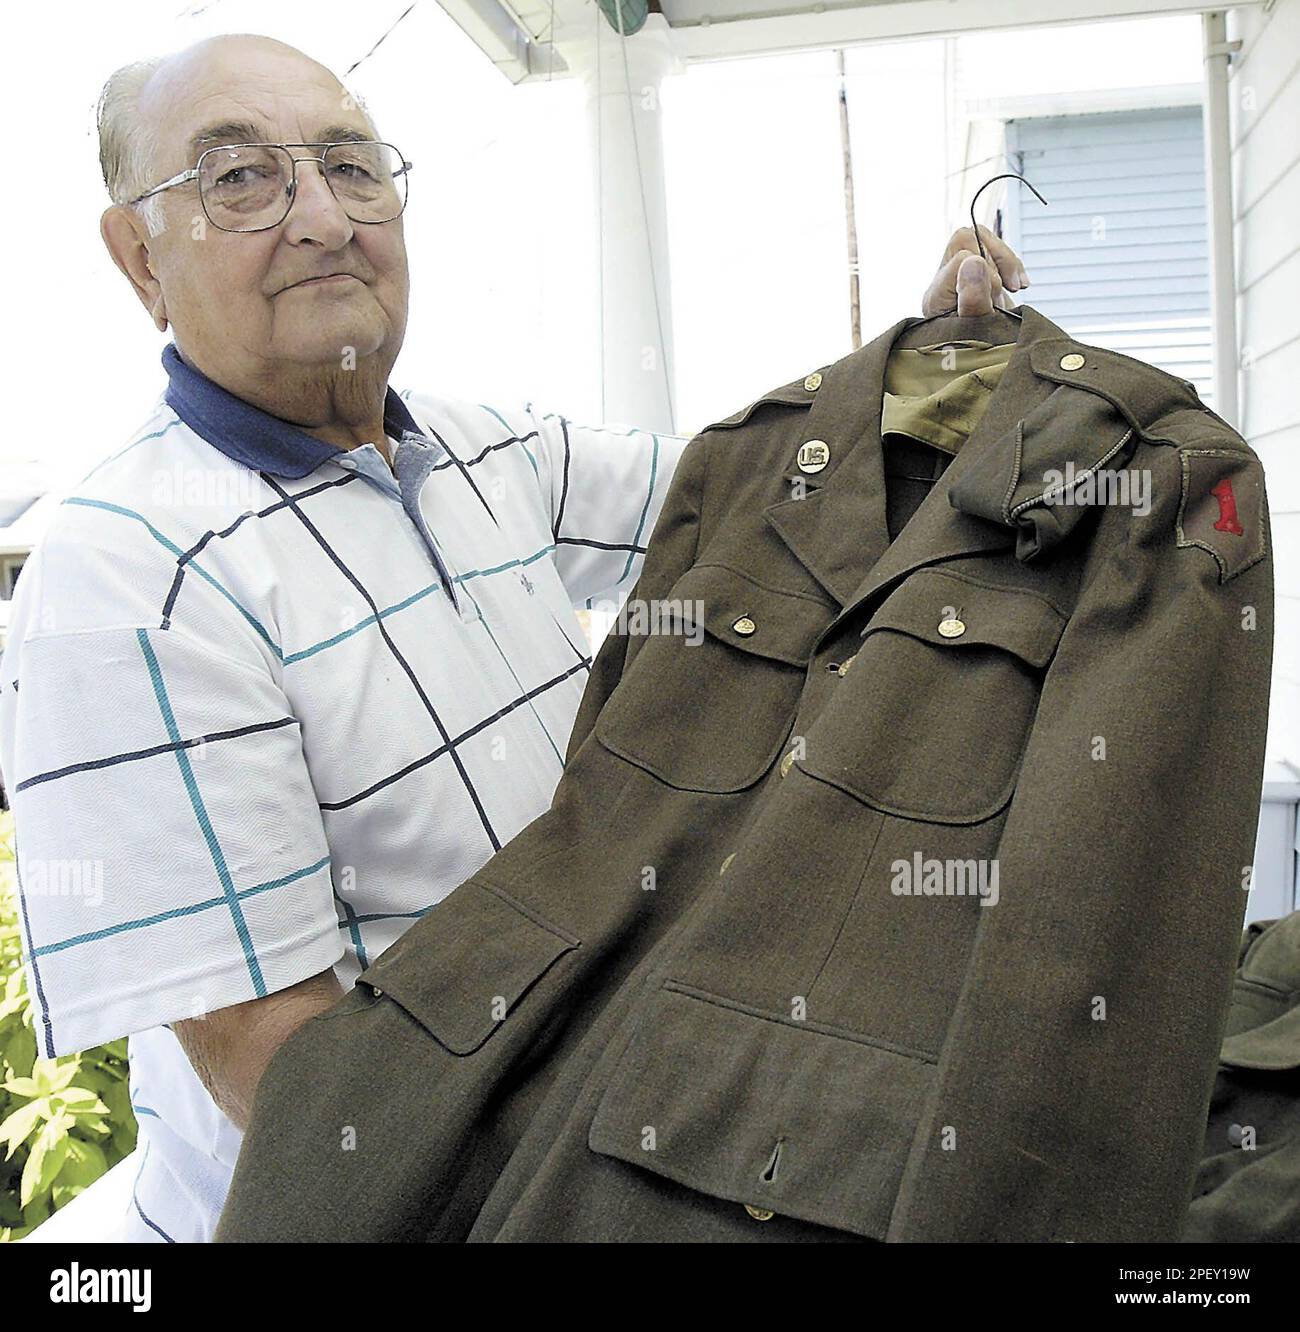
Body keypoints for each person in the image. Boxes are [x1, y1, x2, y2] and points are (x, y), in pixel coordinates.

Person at [0, 31, 1029, 1242]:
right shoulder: (130, 580)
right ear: (139, 258)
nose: (323, 218)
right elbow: (290, 1087)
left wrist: (923, 374)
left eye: (351, 164)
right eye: (240, 179)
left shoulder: (482, 452)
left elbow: (760, 493)